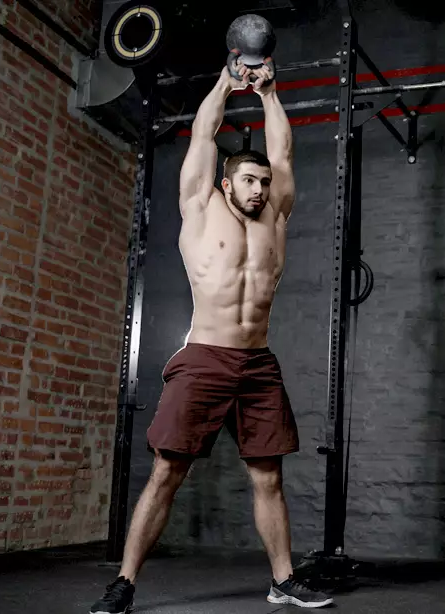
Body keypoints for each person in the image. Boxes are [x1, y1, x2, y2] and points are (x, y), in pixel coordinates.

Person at [89, 58, 333, 613]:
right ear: (226, 183)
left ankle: (282, 580)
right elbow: (203, 134)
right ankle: (124, 584)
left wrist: (269, 93)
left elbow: (285, 152)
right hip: (203, 357)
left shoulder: (276, 218)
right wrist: (226, 80)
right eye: (249, 180)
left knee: (268, 476)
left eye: (264, 182)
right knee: (168, 472)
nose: (259, 189)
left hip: (257, 362)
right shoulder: (198, 208)